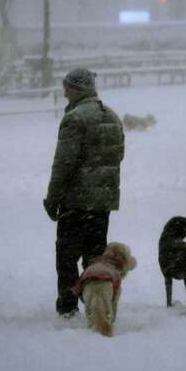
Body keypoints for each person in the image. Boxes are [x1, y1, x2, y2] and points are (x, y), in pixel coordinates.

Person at [43, 67, 125, 318]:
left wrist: (53, 198)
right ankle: (97, 305)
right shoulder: (111, 115)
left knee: (66, 257)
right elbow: (118, 155)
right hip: (102, 203)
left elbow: (63, 164)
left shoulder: (75, 118)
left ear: (77, 89)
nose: (64, 92)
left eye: (67, 87)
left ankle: (68, 307)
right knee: (95, 259)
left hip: (75, 202)